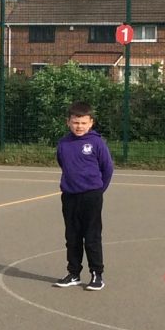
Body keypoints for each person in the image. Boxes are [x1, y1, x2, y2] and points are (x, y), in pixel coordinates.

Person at [52, 101, 114, 291]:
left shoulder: (96, 142)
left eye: (83, 123)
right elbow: (63, 164)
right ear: (68, 122)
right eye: (75, 122)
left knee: (92, 235)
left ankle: (97, 274)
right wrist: (72, 185)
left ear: (91, 123)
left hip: (91, 196)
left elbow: (107, 168)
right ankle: (74, 273)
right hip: (70, 196)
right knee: (72, 236)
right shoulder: (63, 143)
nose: (79, 126)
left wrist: (97, 190)